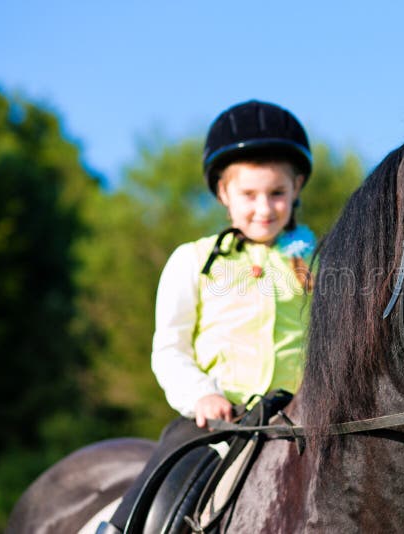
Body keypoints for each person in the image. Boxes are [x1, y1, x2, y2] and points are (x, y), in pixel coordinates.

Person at [98, 100, 315, 534]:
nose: (264, 208)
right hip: (218, 421)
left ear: (296, 189)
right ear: (223, 195)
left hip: (301, 422)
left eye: (277, 193)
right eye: (248, 195)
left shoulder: (319, 264)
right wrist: (200, 395)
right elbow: (170, 349)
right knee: (161, 486)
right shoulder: (193, 261)